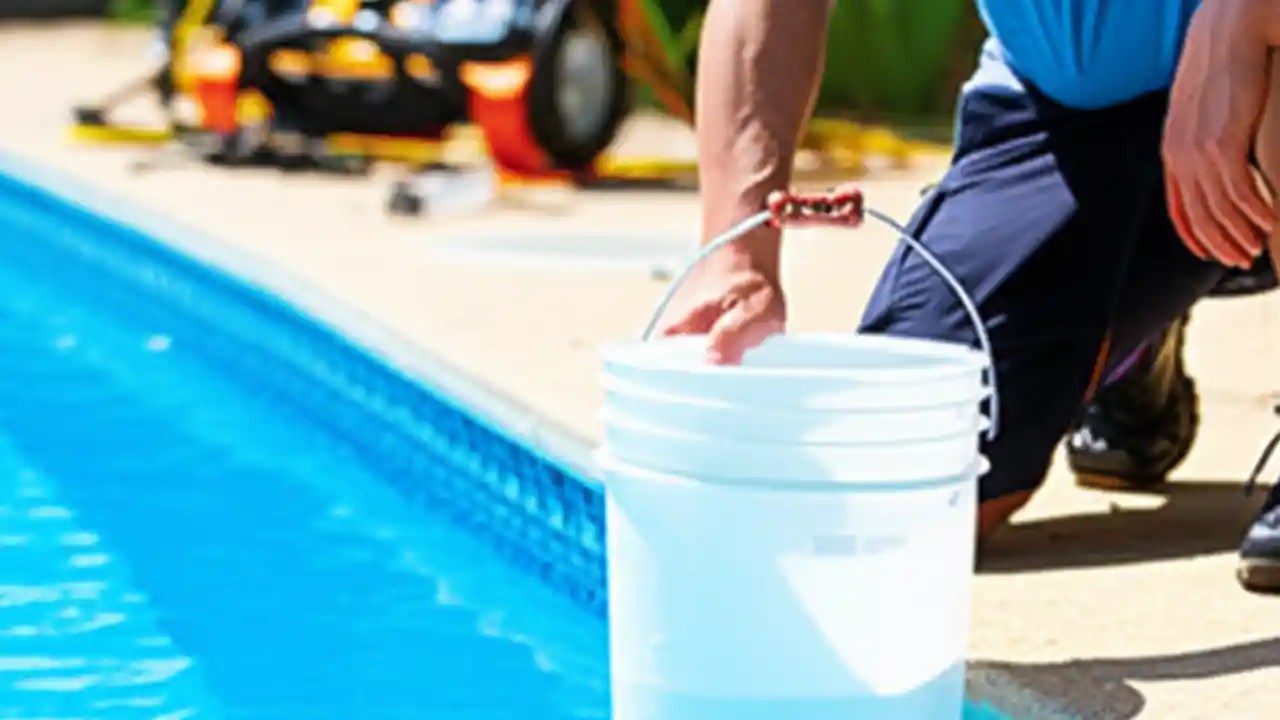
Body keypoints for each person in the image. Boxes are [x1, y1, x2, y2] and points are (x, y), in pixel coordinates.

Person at [657, 0, 1280, 594]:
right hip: (1062, 107)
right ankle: (1131, 340)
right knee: (912, 488)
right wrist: (736, 251)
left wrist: (1239, 19)